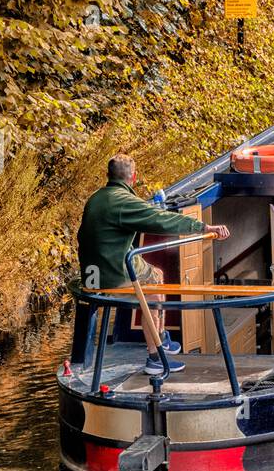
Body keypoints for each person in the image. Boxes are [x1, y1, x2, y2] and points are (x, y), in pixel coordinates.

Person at [77, 153, 229, 375]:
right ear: (134, 177)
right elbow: (163, 220)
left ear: (107, 176)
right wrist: (204, 228)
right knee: (155, 290)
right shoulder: (124, 201)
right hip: (112, 273)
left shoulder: (96, 198)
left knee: (155, 272)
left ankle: (162, 336)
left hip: (91, 271)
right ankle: (155, 357)